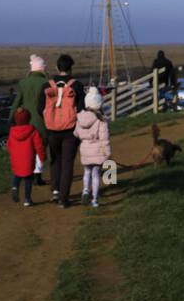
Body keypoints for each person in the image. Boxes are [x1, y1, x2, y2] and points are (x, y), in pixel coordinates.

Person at [43, 54, 84, 207]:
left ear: (57, 67)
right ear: (71, 68)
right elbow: (81, 108)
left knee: (55, 160)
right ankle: (63, 198)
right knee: (67, 163)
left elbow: (40, 107)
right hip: (70, 130)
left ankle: (55, 191)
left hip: (51, 130)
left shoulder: (47, 86)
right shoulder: (76, 85)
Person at [8, 55, 50, 185]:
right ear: (42, 68)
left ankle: (28, 174)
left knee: (28, 148)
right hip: (42, 120)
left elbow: (16, 102)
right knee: (40, 147)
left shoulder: (23, 83)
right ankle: (38, 174)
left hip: (25, 121)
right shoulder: (46, 83)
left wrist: (11, 118)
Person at [74, 87, 111, 209]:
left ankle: (85, 190)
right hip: (97, 151)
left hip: (84, 149)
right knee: (95, 174)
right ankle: (94, 200)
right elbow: (104, 138)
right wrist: (107, 153)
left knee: (87, 172)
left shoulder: (80, 118)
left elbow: (76, 133)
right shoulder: (101, 120)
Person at [7, 107, 45, 207]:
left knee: (17, 175)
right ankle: (27, 199)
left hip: (16, 159)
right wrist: (42, 157)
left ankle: (15, 187)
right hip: (28, 159)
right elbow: (39, 145)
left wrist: (12, 154)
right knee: (28, 179)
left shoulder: (12, 132)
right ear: (28, 118)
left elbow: (9, 145)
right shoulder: (33, 131)